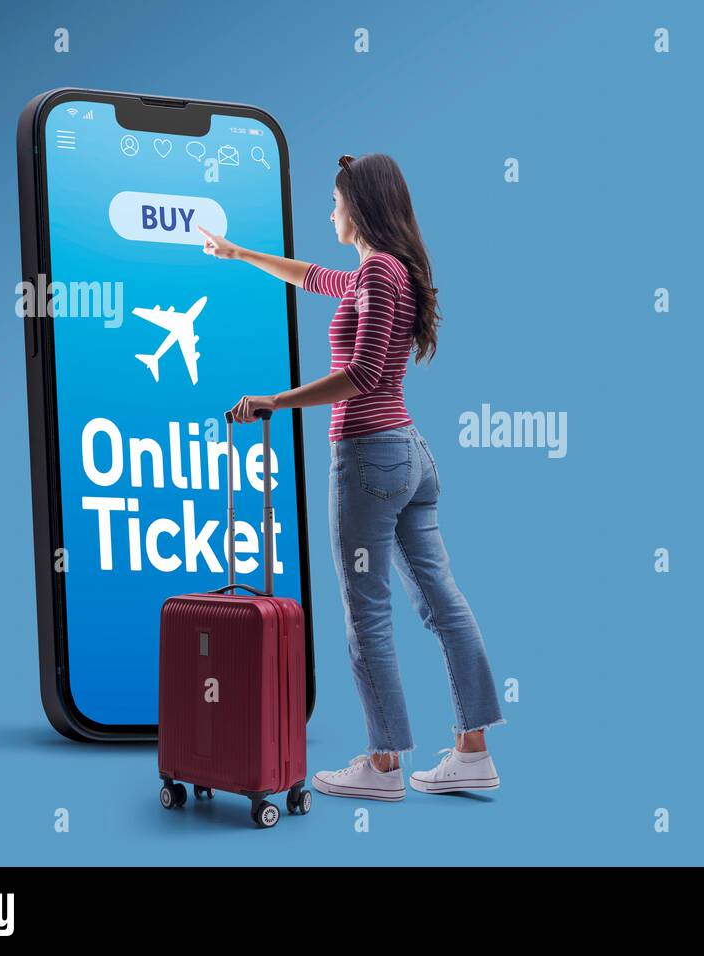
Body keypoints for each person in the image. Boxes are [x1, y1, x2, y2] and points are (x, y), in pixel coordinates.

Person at [199, 153, 504, 801]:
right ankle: (472, 749)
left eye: (335, 201)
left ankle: (384, 762)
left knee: (367, 614)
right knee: (442, 602)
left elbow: (361, 377)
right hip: (409, 457)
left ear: (359, 205)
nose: (329, 211)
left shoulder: (379, 275)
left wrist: (272, 403)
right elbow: (312, 278)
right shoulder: (384, 273)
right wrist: (239, 253)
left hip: (369, 457)